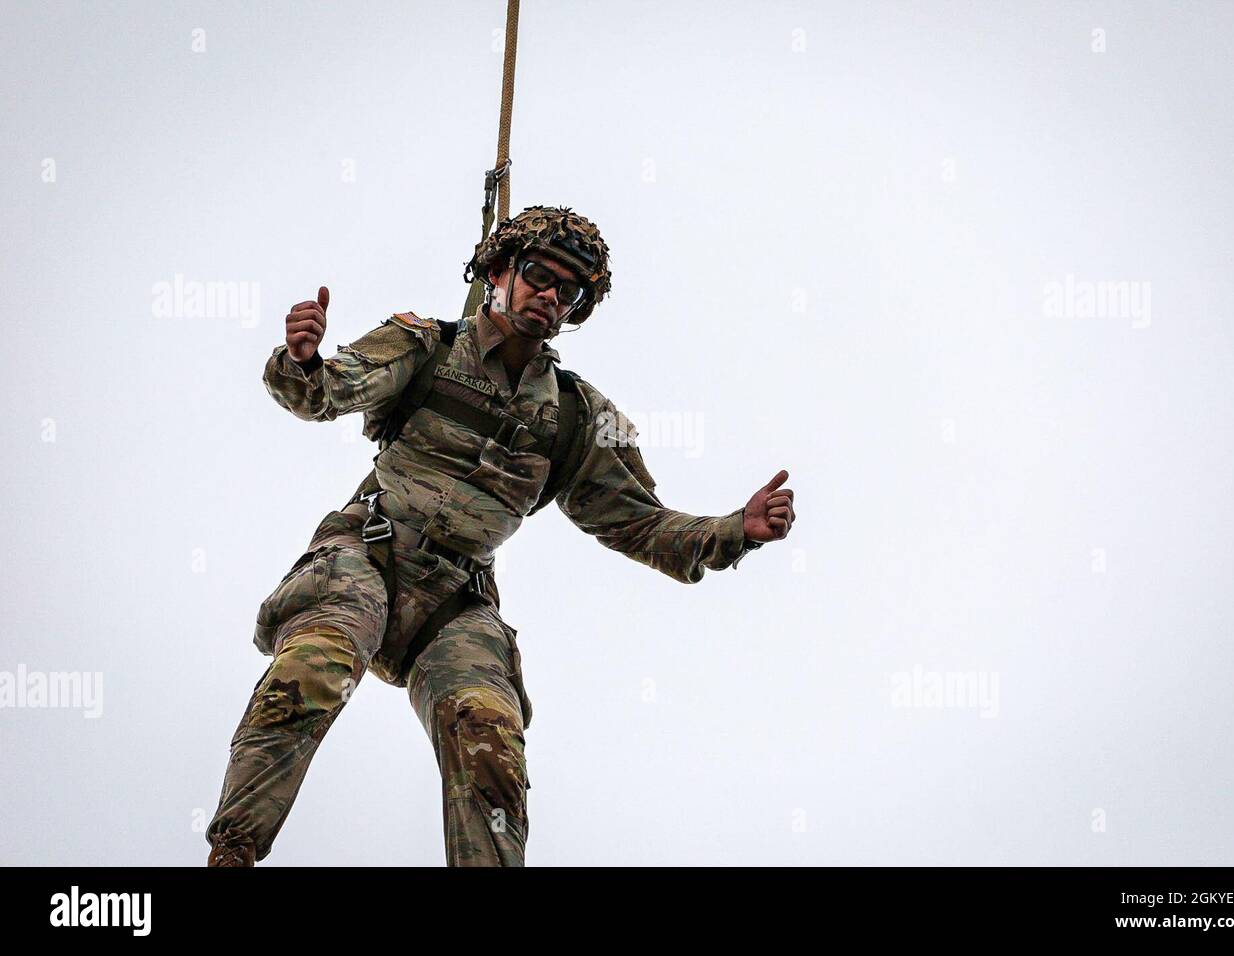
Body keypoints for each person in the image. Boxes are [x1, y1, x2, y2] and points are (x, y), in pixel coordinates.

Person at [205, 206, 797, 866]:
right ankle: (232, 854)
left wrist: (732, 531)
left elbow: (638, 522)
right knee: (317, 667)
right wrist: (302, 359)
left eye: (567, 290)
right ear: (497, 272)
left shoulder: (576, 417)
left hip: (456, 602)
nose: (549, 295)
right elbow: (327, 392)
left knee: (491, 743)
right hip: (366, 555)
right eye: (538, 275)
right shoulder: (423, 344)